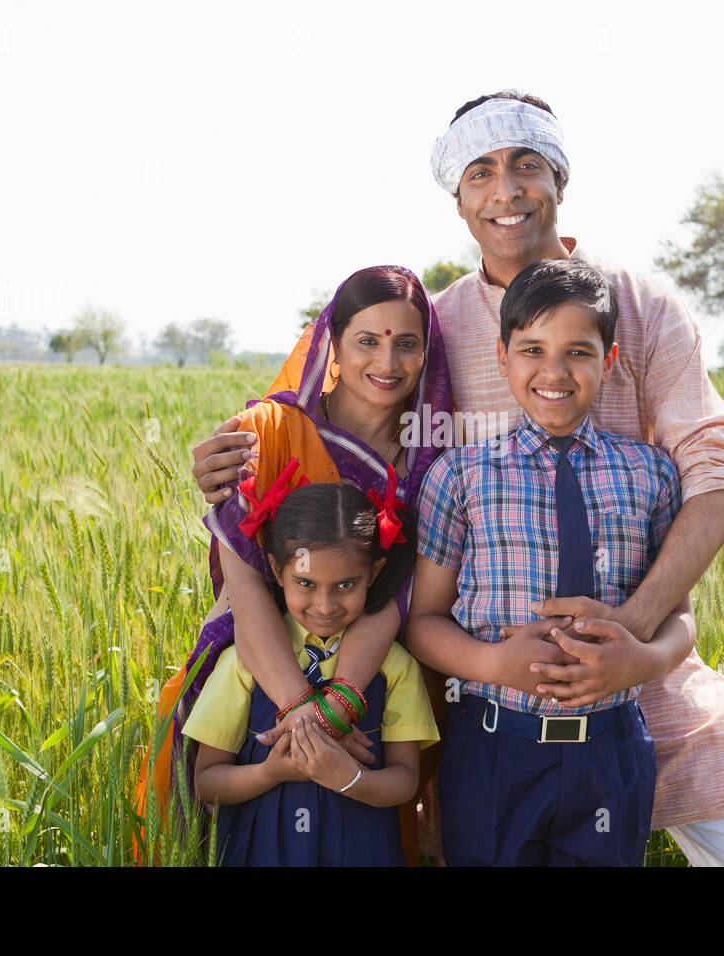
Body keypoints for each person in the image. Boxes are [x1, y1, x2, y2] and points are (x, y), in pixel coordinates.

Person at [192, 92, 724, 866]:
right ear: (457, 200)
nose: (507, 190)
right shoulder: (440, 323)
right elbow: (343, 441)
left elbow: (715, 478)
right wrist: (240, 457)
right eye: (481, 173)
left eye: (528, 166)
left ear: (559, 179)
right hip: (483, 705)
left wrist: (630, 631)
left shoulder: (642, 305)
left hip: (647, 681)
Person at [131, 265, 455, 864]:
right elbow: (245, 584)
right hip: (257, 683)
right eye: (367, 340)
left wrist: (339, 702)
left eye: (406, 342)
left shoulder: (432, 460)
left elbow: (396, 598)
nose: (387, 360)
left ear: (426, 354)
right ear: (331, 343)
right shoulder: (267, 432)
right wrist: (299, 710)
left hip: (371, 694)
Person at [408, 258, 693, 865]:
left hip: (610, 754)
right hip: (491, 751)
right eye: (532, 349)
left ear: (609, 361)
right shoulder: (460, 476)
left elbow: (682, 618)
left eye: (578, 352)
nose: (554, 372)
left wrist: (642, 660)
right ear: (502, 357)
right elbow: (422, 621)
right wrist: (492, 663)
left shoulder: (650, 473)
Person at [184, 480, 439, 866]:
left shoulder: (394, 666)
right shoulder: (243, 663)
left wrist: (348, 778)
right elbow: (206, 782)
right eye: (306, 583)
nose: (325, 604)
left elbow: (405, 780)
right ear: (275, 568)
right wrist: (272, 773)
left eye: (345, 585)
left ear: (375, 572)